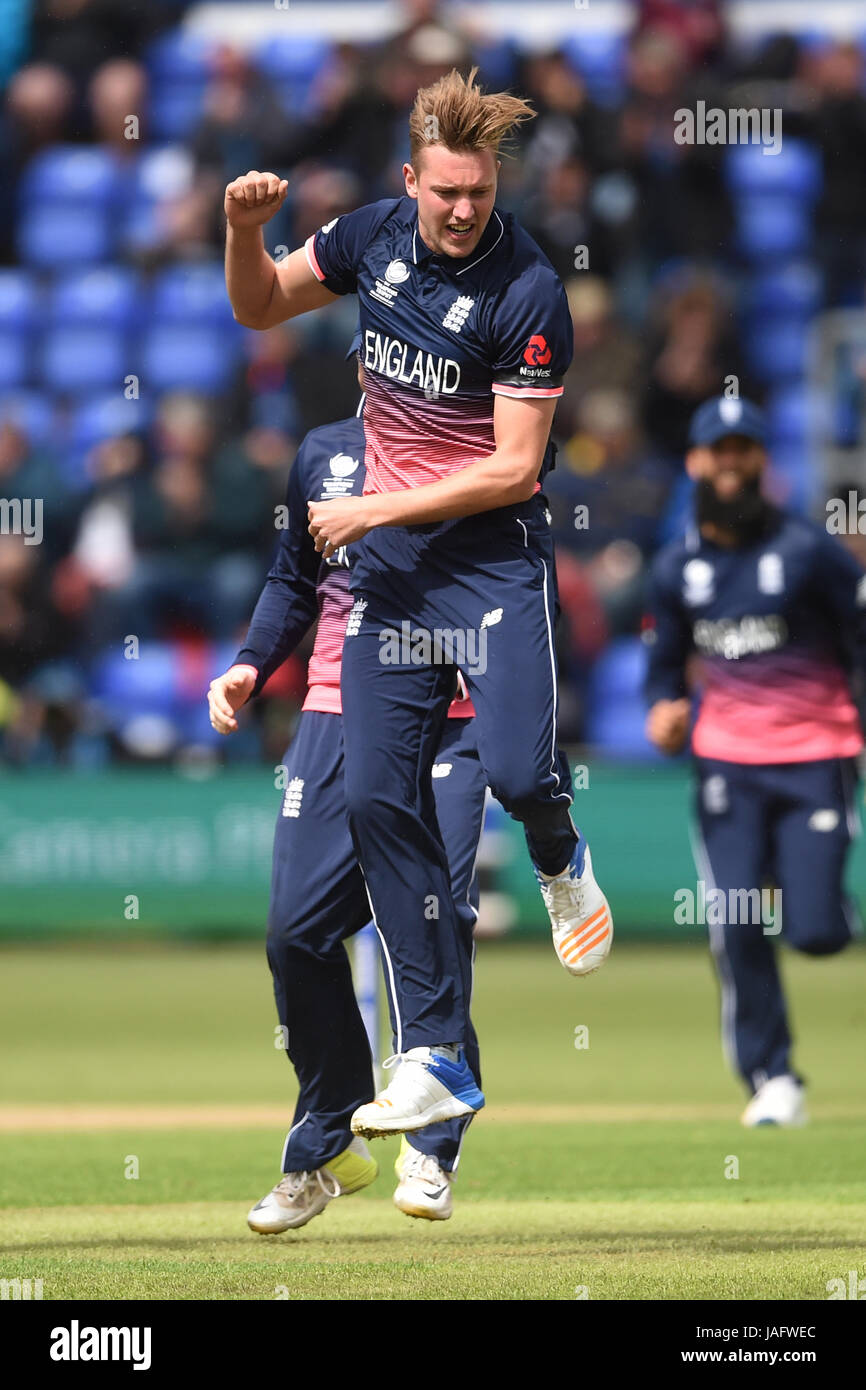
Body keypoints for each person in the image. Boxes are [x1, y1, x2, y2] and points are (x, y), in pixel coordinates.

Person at [223, 67, 613, 1143]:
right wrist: (243, 233)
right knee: (378, 805)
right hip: (393, 581)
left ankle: (557, 855)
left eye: (476, 194)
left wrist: (378, 506)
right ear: (411, 179)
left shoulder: (528, 289)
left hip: (486, 565)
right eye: (442, 191)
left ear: (495, 185)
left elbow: (514, 468)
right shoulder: (369, 238)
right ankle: (435, 1052)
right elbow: (256, 306)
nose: (458, 210)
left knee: (525, 771)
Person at [207, 346, 486, 1230]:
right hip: (329, 709)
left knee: (433, 918)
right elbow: (294, 578)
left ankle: (432, 1147)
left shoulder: (485, 453)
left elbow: (516, 591)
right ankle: (331, 1134)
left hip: (447, 712)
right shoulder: (322, 455)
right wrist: (252, 665)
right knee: (295, 935)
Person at [644, 395, 865, 1126]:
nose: (731, 463)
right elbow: (665, 667)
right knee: (735, 920)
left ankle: (817, 902)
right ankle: (773, 1077)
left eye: (744, 450)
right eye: (719, 450)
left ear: (763, 461)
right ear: (695, 462)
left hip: (815, 759)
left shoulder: (810, 552)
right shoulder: (677, 568)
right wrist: (664, 712)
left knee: (816, 934)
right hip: (727, 768)